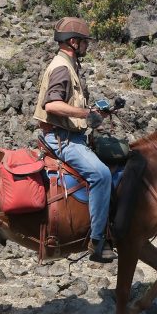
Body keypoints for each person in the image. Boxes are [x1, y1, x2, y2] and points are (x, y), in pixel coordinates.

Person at [32, 16, 116, 263]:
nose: (87, 46)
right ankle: (98, 240)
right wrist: (86, 113)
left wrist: (94, 114)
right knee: (101, 175)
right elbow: (53, 104)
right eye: (84, 42)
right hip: (63, 139)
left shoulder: (70, 64)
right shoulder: (61, 67)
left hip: (71, 133)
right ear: (73, 42)